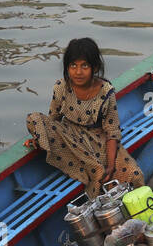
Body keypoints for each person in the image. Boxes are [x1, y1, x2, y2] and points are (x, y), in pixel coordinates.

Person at [25, 37, 145, 197]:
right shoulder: (61, 87)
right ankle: (95, 171)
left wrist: (110, 166)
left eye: (84, 66)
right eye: (73, 65)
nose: (78, 72)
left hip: (99, 140)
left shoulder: (106, 91)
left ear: (94, 67)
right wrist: (40, 137)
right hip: (71, 138)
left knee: (133, 175)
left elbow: (112, 133)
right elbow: (53, 119)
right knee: (34, 119)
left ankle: (100, 173)